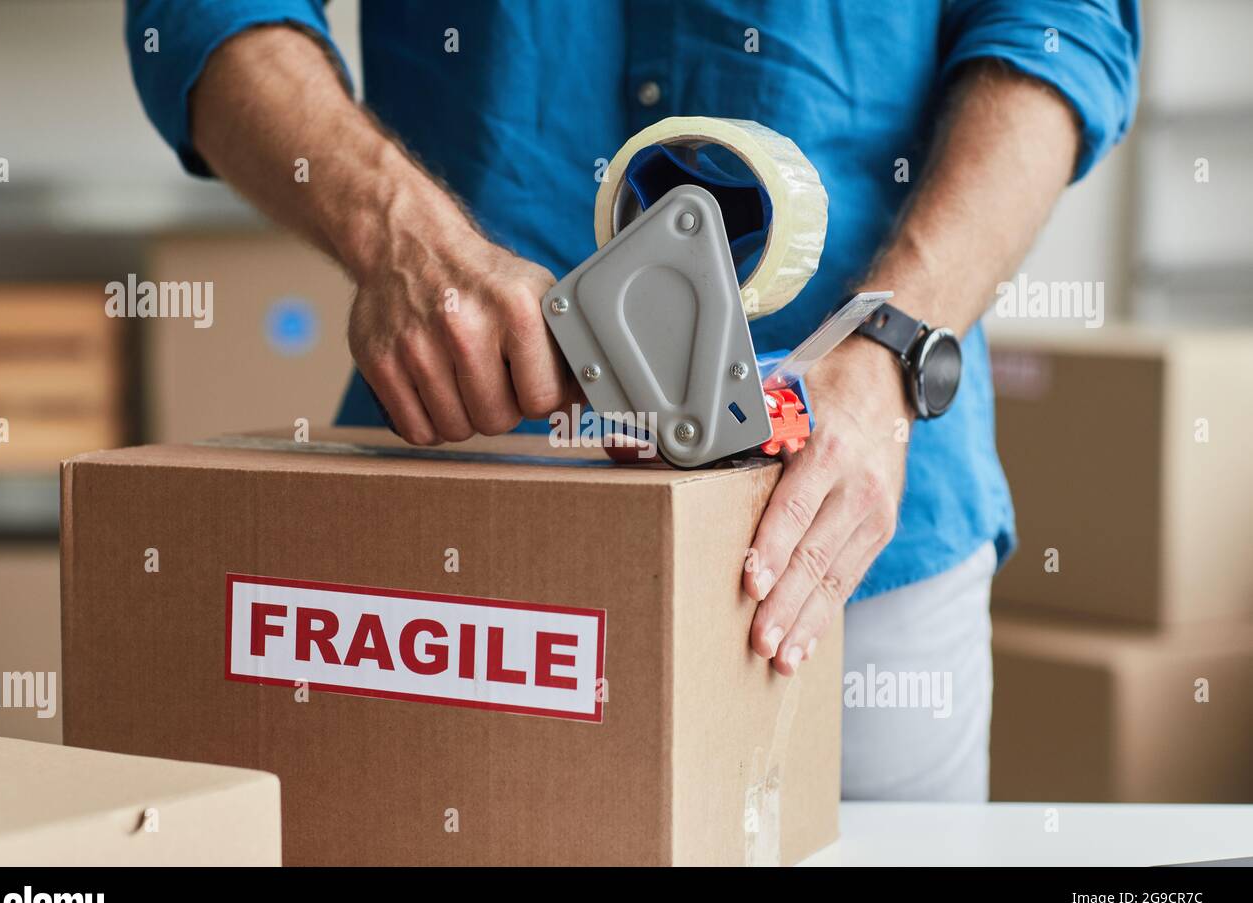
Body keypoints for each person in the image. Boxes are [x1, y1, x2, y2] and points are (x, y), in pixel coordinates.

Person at [125, 1, 1140, 801]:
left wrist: (892, 343)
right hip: (461, 533)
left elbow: (1062, 22)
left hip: (850, 532)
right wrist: (395, 229)